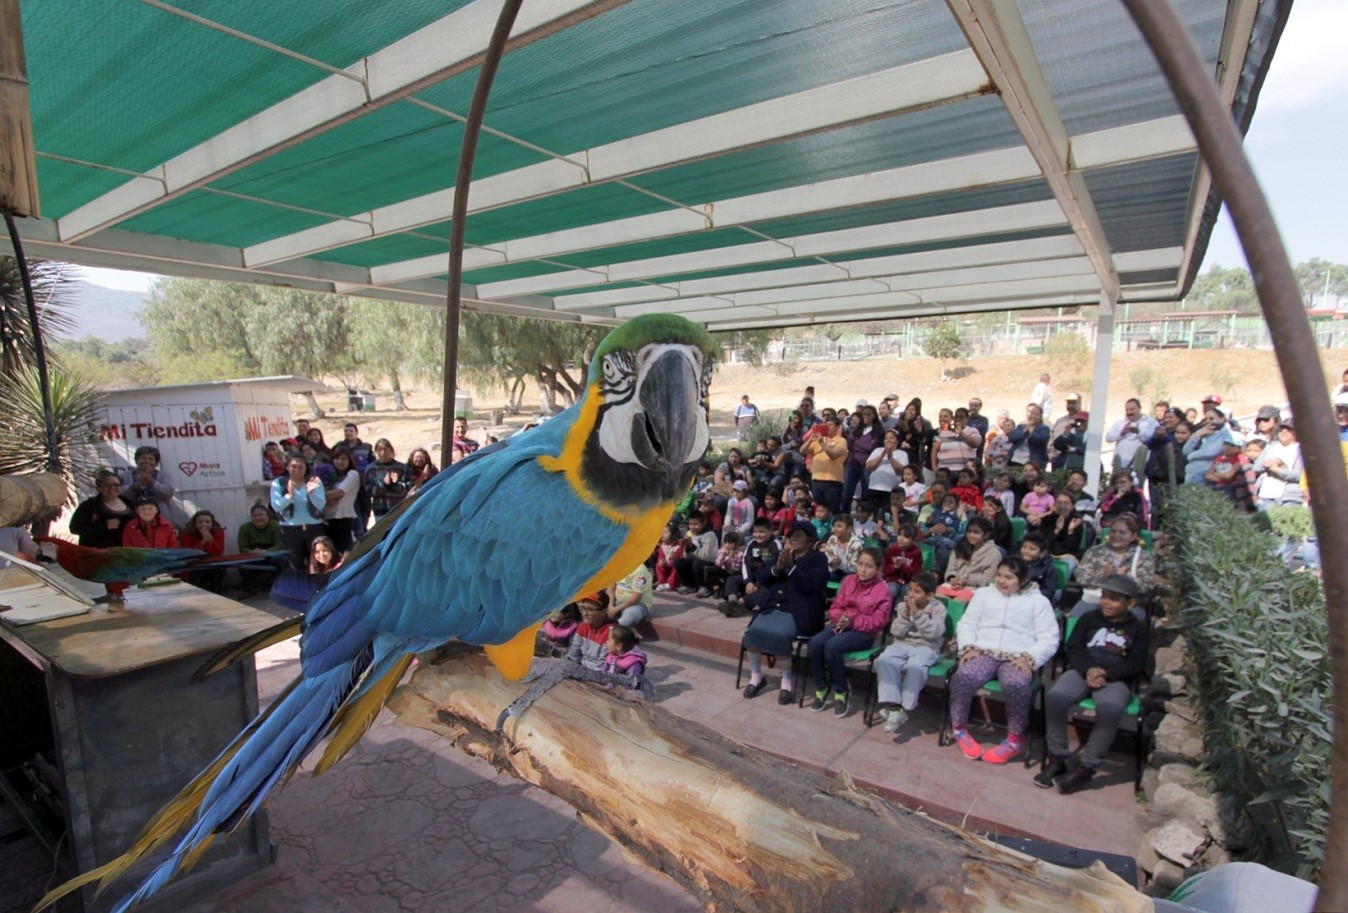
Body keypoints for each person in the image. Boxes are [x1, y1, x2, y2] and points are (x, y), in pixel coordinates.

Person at [1039, 573, 1150, 794]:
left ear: (1131, 603)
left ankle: (1086, 768)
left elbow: (1137, 664)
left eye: (1114, 599)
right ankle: (1057, 757)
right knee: (1056, 697)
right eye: (1104, 596)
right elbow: (1074, 649)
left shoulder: (1139, 630)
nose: (1106, 602)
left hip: (1116, 679)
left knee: (1109, 710)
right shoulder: (1089, 618)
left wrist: (1106, 674)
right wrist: (1088, 669)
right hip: (1082, 671)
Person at [949, 556, 1059, 765]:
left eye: (1008, 577)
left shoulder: (1038, 601)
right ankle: (960, 729)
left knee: (1016, 684)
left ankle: (1014, 740)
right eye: (999, 575)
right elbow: (968, 623)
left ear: (1023, 579)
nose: (1001, 581)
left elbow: (1049, 637)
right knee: (964, 676)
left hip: (1017, 657)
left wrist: (1030, 658)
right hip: (984, 651)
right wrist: (968, 647)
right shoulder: (983, 595)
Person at [741, 521, 829, 704]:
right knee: (751, 632)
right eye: (791, 535)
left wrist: (790, 568)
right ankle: (757, 677)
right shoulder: (785, 554)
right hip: (774, 606)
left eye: (799, 536)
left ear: (811, 540)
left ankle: (786, 681)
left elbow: (810, 587)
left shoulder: (818, 559)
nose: (793, 539)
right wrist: (777, 568)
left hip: (801, 611)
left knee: (780, 635)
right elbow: (762, 578)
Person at [806, 546, 891, 716]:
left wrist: (852, 623)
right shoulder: (849, 580)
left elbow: (879, 620)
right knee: (815, 643)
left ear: (878, 569)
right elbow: (835, 607)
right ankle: (822, 687)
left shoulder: (883, 590)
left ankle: (840, 692)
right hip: (841, 625)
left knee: (832, 646)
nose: (863, 569)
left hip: (864, 633)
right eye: (860, 564)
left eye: (869, 566)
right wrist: (841, 619)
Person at [874, 571, 946, 733]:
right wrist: (906, 615)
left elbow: (934, 633)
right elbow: (896, 632)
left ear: (929, 595)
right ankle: (895, 707)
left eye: (917, 591)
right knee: (884, 660)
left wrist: (918, 614)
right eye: (910, 589)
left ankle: (901, 708)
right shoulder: (902, 606)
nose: (911, 594)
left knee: (916, 666)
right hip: (902, 644)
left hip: (927, 647)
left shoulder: (938, 608)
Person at [1072, 513, 1156, 618]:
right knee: (1078, 614)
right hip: (1096, 601)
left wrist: (1124, 580)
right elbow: (1080, 577)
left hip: (1128, 605)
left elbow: (1146, 586)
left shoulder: (1143, 557)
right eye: (1113, 531)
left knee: (1135, 617)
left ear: (1133, 536)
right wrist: (1102, 577)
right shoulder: (1094, 552)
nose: (1116, 535)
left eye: (1122, 532)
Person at [272, 451, 328, 571]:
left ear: (306, 467)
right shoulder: (279, 483)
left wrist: (311, 493)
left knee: (317, 562)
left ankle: (319, 586)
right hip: (289, 529)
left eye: (300, 466)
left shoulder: (314, 481)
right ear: (287, 467)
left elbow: (321, 505)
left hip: (313, 527)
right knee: (294, 563)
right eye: (293, 466)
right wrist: (289, 496)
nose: (297, 469)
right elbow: (276, 506)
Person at [936, 516, 1000, 602]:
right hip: (955, 585)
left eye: (976, 532)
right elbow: (951, 568)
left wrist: (967, 580)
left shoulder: (993, 553)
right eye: (969, 531)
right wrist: (952, 578)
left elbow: (988, 579)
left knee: (958, 601)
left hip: (975, 588)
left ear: (986, 535)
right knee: (939, 594)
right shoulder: (960, 547)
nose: (971, 535)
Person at [69, 468, 135, 548]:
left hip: (126, 553)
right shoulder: (89, 506)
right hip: (97, 554)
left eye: (116, 484)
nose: (112, 487)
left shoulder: (130, 504)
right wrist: (105, 526)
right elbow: (75, 528)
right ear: (99, 487)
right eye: (107, 485)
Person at [727, 519, 779, 610]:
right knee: (732, 580)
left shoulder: (775, 545)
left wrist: (757, 584)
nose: (757, 535)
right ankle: (732, 602)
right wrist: (748, 582)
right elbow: (745, 563)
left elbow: (771, 567)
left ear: (770, 531)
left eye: (761, 532)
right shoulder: (752, 544)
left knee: (768, 589)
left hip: (766, 580)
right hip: (753, 577)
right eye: (755, 532)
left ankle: (739, 604)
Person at [1255, 418, 1303, 509]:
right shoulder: (1271, 446)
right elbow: (1256, 468)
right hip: (1265, 495)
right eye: (1282, 429)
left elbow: (1299, 475)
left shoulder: (1301, 449)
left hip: (1288, 498)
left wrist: (1277, 470)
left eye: (1289, 429)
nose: (1284, 431)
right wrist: (1264, 464)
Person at [119, 446, 176, 524]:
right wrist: (135, 486)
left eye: (151, 459)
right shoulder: (124, 475)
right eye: (143, 458)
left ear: (156, 463)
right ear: (136, 461)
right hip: (133, 521)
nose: (146, 461)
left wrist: (151, 482)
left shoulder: (164, 475)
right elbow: (119, 496)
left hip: (161, 521)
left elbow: (169, 492)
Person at [322, 446, 362, 553]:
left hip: (343, 518)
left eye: (344, 459)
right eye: (337, 458)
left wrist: (319, 496)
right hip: (327, 518)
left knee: (344, 553)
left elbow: (340, 492)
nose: (340, 461)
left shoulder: (353, 474)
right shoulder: (330, 475)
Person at [1205, 432, 1257, 514]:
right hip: (1218, 486)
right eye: (1226, 444)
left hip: (1232, 490)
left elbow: (1229, 475)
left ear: (1239, 448)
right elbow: (1208, 475)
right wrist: (1222, 478)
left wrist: (1215, 475)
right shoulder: (1219, 458)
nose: (1227, 447)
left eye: (1231, 445)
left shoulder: (1239, 459)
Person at [1106, 399, 1158, 478]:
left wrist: (1138, 432)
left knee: (1135, 488)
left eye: (1132, 409)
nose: (1129, 412)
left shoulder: (1150, 422)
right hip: (1119, 463)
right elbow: (1108, 438)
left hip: (1139, 464)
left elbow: (1153, 438)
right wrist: (1121, 433)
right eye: (1127, 410)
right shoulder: (1120, 423)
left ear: (1139, 408)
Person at [804, 418, 847, 513]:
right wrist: (810, 439)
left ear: (837, 427)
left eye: (830, 424)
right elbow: (802, 450)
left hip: (832, 481)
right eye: (826, 425)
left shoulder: (841, 441)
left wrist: (822, 443)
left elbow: (833, 455)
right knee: (819, 508)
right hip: (816, 479)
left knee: (833, 509)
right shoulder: (818, 440)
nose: (827, 427)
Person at [1184, 405, 1235, 483]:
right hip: (1192, 475)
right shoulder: (1204, 432)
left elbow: (1211, 452)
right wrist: (1197, 435)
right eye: (1206, 419)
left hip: (1206, 477)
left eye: (1211, 418)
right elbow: (1186, 451)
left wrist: (1190, 456)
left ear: (1222, 419)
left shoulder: (1226, 436)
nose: (1208, 421)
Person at [565, 593, 614, 672]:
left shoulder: (611, 634)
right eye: (583, 608)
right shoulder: (582, 626)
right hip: (580, 670)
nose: (585, 613)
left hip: (597, 676)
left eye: (590, 610)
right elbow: (573, 656)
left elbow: (602, 667)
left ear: (604, 612)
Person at [179, 509, 226, 591]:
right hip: (194, 563)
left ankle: (216, 593)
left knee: (219, 569)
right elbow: (188, 553)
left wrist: (211, 540)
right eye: (200, 522)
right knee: (195, 573)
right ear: (195, 523)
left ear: (212, 523)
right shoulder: (186, 533)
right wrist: (203, 542)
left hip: (212, 562)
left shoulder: (218, 531)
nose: (204, 524)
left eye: (207, 522)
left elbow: (218, 553)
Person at [674, 511, 719, 595]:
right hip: (696, 562)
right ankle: (690, 585)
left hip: (709, 565)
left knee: (697, 562)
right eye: (690, 524)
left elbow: (704, 556)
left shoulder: (710, 535)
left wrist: (691, 546)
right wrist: (687, 548)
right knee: (678, 561)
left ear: (704, 523)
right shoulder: (691, 534)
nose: (692, 527)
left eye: (696, 524)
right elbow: (686, 557)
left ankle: (705, 586)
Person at [362, 439, 408, 520]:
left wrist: (395, 484)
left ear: (391, 450)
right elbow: (368, 492)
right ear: (375, 452)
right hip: (380, 510)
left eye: (386, 449)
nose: (383, 452)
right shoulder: (371, 469)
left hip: (398, 509)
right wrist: (383, 483)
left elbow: (407, 489)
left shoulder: (401, 468)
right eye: (379, 450)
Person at [931, 407, 981, 474]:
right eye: (956, 417)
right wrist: (934, 466)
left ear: (967, 418)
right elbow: (935, 450)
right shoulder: (944, 432)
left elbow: (975, 444)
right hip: (945, 471)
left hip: (965, 472)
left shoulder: (972, 431)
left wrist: (961, 433)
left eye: (961, 417)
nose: (958, 419)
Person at [882, 522, 923, 600]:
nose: (901, 539)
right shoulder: (892, 549)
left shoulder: (917, 552)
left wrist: (903, 567)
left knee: (907, 591)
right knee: (892, 590)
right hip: (893, 580)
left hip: (909, 582)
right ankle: (888, 609)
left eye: (906, 537)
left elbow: (917, 573)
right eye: (899, 535)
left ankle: (903, 610)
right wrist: (894, 567)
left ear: (913, 539)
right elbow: (885, 568)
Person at [820, 514, 863, 582]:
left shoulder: (856, 544)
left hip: (849, 574)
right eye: (834, 526)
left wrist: (840, 563)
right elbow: (827, 555)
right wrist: (830, 560)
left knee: (847, 579)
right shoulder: (832, 539)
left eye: (839, 526)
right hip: (832, 571)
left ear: (849, 529)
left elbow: (855, 567)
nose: (835, 529)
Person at [1007, 404, 1050, 468]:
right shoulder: (1021, 426)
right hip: (1015, 460)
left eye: (1036, 414)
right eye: (1031, 413)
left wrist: (1031, 431)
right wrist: (1024, 431)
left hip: (1033, 462)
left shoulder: (1044, 428)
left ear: (1041, 416)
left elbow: (1041, 440)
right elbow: (1011, 438)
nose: (1033, 416)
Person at [1020, 531, 1058, 603]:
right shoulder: (1016, 563)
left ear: (1042, 553)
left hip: (1037, 601)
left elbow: (1049, 592)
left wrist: (1030, 595)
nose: (1026, 551)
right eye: (1024, 547)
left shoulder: (1048, 568)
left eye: (1032, 549)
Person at [1047, 393, 1083, 464]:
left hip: (1073, 458)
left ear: (1079, 404)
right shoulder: (1060, 420)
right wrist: (1051, 452)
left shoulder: (1082, 421)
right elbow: (1051, 436)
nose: (1070, 406)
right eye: (1069, 403)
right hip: (1056, 458)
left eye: (1073, 403)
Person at [652, 524, 683, 591]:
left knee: (676, 566)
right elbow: (661, 556)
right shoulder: (662, 546)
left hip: (673, 566)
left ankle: (671, 584)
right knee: (658, 564)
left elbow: (680, 558)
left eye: (666, 532)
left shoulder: (678, 546)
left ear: (673, 534)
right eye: (662, 532)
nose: (663, 534)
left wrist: (671, 559)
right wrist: (662, 561)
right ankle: (661, 582)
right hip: (666, 566)